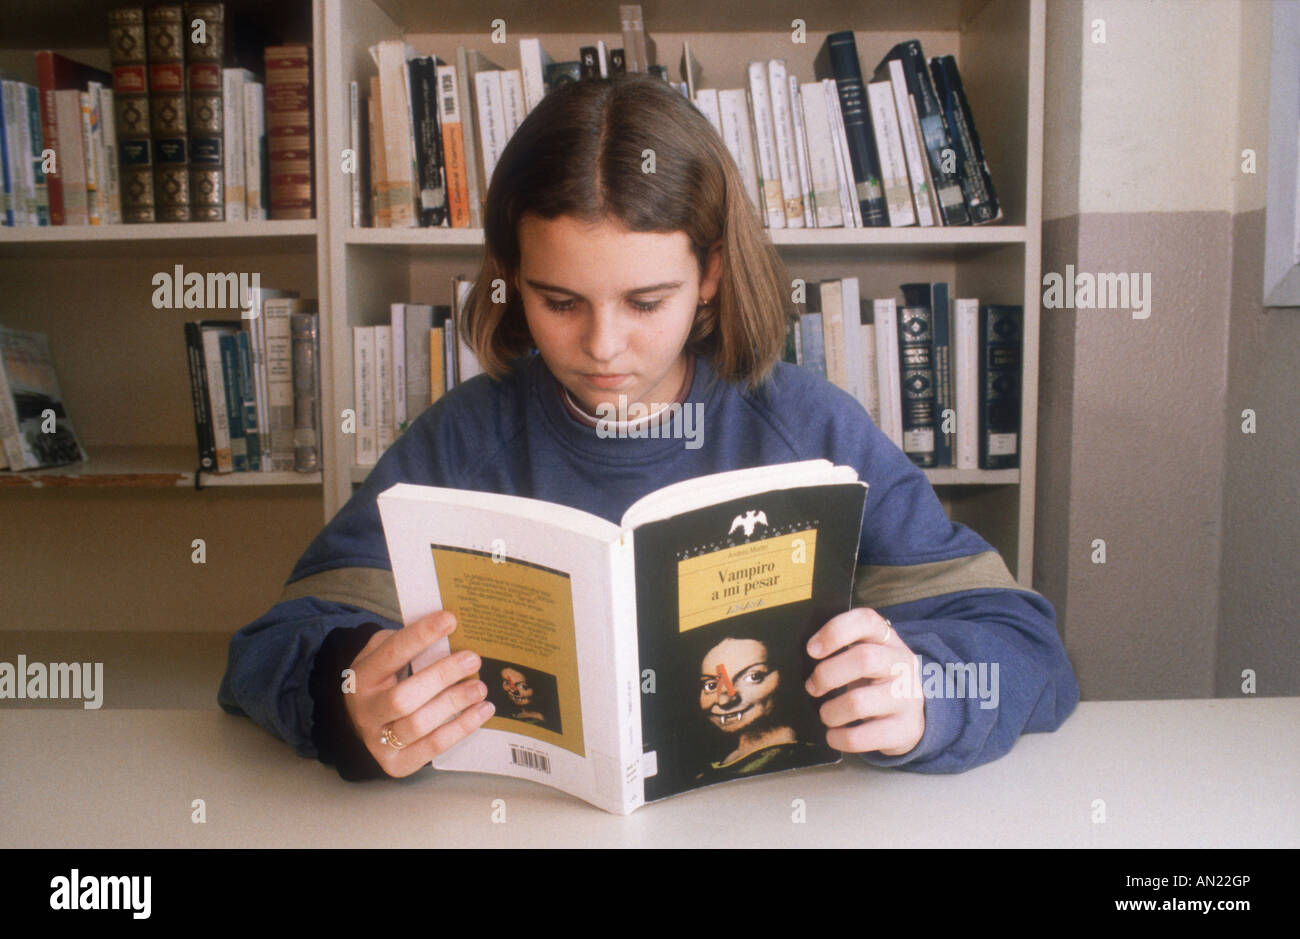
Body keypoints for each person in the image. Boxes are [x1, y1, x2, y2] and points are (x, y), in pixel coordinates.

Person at [218, 73, 1079, 782]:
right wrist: (345, 700)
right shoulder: (459, 442)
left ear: (708, 275)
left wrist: (928, 693)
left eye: (645, 301)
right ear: (512, 279)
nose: (601, 347)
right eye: (559, 302)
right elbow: (267, 651)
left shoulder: (813, 429)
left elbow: (1025, 648)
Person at [692, 636, 826, 785]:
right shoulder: (713, 771)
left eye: (753, 677)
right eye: (711, 686)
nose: (724, 701)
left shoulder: (806, 758)